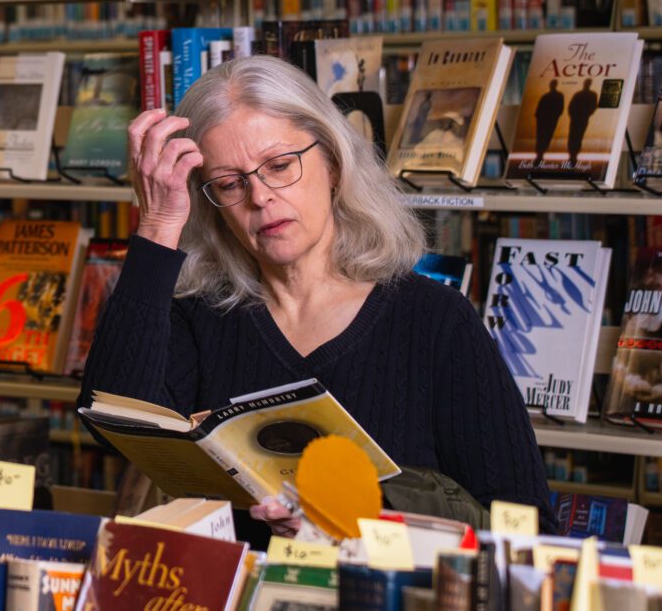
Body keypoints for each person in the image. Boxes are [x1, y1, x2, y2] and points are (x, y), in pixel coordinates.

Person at [76, 55, 552, 538]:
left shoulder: (435, 321)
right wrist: (157, 225)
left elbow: (525, 524)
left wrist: (353, 526)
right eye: (229, 184)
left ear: (332, 163)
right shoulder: (200, 315)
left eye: (280, 166)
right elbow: (111, 418)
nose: (260, 197)